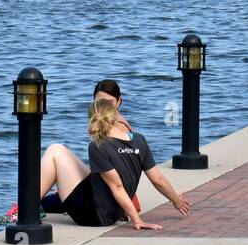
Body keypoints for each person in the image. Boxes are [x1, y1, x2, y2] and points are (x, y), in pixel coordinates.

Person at [35, 99, 191, 230]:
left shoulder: (98, 146)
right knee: (67, 157)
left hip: (93, 216)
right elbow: (157, 179)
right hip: (113, 211)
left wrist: (137, 220)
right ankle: (36, 204)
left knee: (55, 150)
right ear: (117, 117)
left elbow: (117, 186)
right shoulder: (139, 140)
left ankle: (26, 209)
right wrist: (176, 201)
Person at [0, 79, 138, 224]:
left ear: (119, 102)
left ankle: (24, 209)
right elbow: (120, 171)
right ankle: (30, 206)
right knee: (50, 198)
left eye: (108, 102)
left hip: (98, 209)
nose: (103, 106)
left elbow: (119, 180)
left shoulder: (116, 128)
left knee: (55, 150)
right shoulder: (122, 125)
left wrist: (129, 209)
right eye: (98, 102)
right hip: (106, 201)